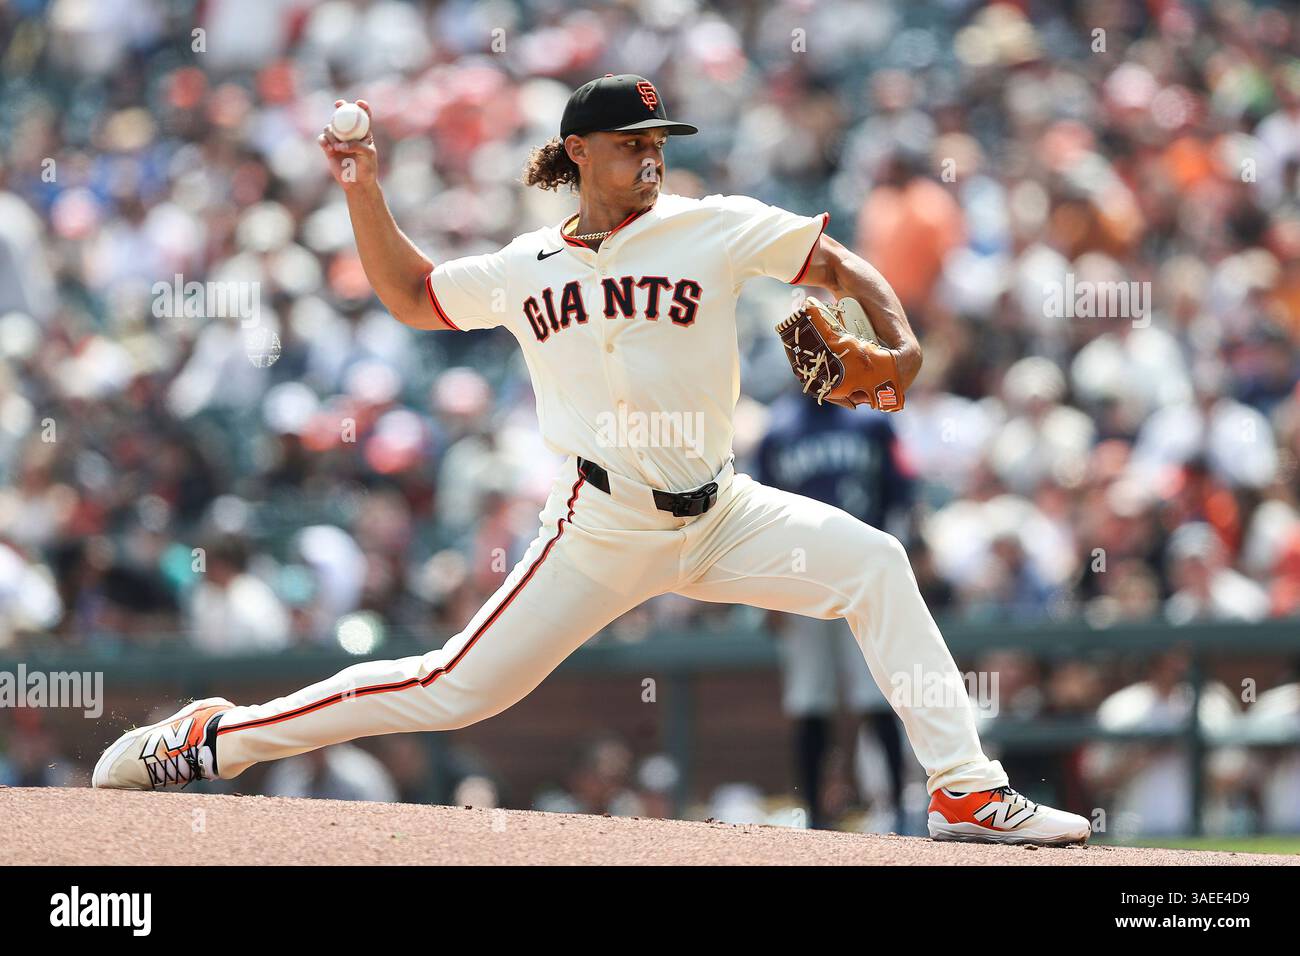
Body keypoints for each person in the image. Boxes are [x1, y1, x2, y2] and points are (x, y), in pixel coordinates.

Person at [93, 74, 1089, 845]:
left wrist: (900, 337)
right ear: (578, 151)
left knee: (875, 560)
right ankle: (210, 739)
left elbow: (834, 264)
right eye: (631, 144)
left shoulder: (710, 224)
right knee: (449, 687)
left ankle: (964, 788)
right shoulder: (527, 266)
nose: (652, 156)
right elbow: (411, 293)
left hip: (722, 513)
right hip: (599, 527)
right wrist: (365, 190)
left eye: (659, 141)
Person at [753, 385, 912, 831]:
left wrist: (903, 560)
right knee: (809, 697)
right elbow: (758, 515)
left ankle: (898, 809)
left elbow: (902, 494)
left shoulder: (873, 420)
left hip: (864, 574)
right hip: (802, 578)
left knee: (877, 692)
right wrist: (769, 590)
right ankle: (815, 816)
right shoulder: (778, 427)